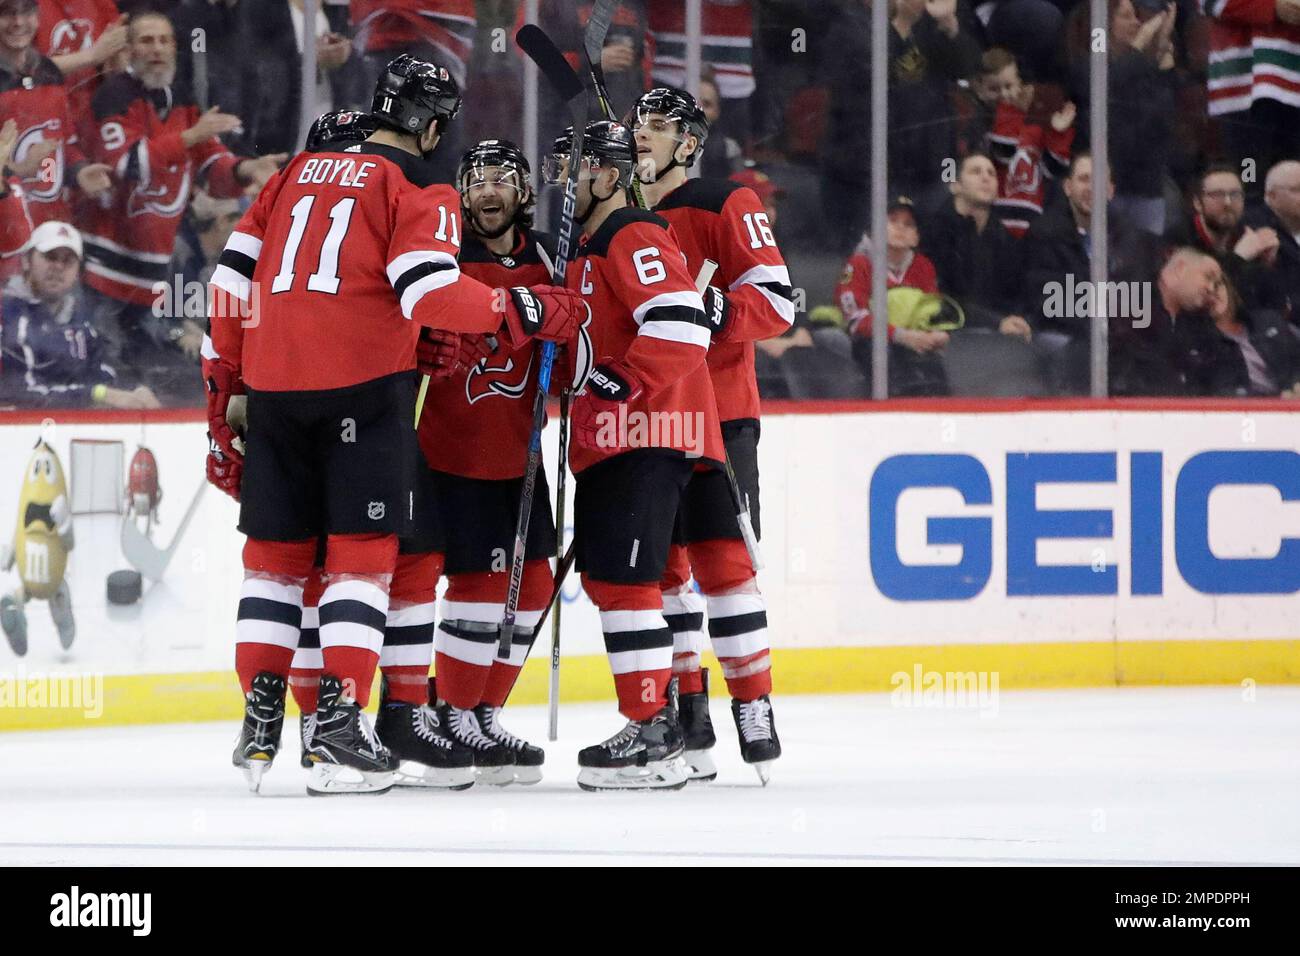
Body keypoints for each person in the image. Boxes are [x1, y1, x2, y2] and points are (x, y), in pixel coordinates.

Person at [203, 58, 584, 796]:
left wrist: (226, 400)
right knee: (360, 560)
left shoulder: (294, 174)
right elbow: (426, 289)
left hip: (275, 392)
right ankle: (345, 721)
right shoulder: (416, 184)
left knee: (275, 564)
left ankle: (261, 720)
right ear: (434, 125)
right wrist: (523, 310)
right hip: (359, 396)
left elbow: (228, 285)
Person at [545, 119, 718, 790]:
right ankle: (665, 724)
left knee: (625, 582)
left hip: (644, 437)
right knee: (621, 580)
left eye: (576, 169)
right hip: (617, 442)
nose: (564, 182)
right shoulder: (590, 246)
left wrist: (626, 380)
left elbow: (681, 322)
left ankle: (652, 733)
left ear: (612, 176)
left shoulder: (631, 234)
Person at [628, 87, 788, 782]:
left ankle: (753, 704)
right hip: (648, 414)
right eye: (638, 125)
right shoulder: (621, 217)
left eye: (659, 127)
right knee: (661, 571)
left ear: (689, 143)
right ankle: (686, 708)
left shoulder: (727, 202)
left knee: (724, 566)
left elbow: (778, 302)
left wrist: (711, 302)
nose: (643, 136)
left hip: (719, 411)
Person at [82, 9, 285, 400]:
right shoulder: (114, 96)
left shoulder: (183, 101)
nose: (156, 49)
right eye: (145, 40)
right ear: (128, 49)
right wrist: (191, 136)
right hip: (106, 277)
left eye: (163, 41)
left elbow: (212, 166)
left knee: (165, 383)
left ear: (175, 48)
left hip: (158, 281)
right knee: (113, 379)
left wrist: (245, 169)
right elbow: (127, 164)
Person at [1, 219, 159, 407]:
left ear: (77, 272)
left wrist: (133, 391)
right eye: (50, 257)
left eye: (68, 260)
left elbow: (103, 375)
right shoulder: (6, 316)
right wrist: (96, 394)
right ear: (26, 262)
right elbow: (15, 394)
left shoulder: (83, 323)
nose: (58, 267)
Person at [0, 0, 113, 227]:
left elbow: (61, 145)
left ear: (38, 16)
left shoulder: (48, 72)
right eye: (7, 13)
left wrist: (79, 172)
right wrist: (21, 170)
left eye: (26, 12)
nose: (18, 22)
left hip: (51, 225)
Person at [837, 196, 950, 397]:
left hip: (915, 340)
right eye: (892, 221)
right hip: (871, 343)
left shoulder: (923, 266)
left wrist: (937, 333)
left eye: (909, 224)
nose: (900, 228)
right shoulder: (859, 263)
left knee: (936, 370)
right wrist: (900, 335)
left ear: (916, 237)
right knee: (883, 356)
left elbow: (932, 310)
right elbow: (856, 318)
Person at [921, 152, 1031, 342]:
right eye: (975, 171)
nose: (985, 177)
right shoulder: (935, 232)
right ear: (955, 185)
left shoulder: (1004, 238)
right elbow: (940, 299)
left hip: (997, 335)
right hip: (946, 334)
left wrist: (1020, 319)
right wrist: (995, 322)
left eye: (991, 173)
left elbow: (1018, 292)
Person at [1109, 247, 1221, 396]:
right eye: (1208, 277)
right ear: (1180, 269)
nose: (1212, 288)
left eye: (1216, 284)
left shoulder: (1203, 327)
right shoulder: (1127, 311)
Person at [1204, 274, 1300, 397]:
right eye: (1205, 291)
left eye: (1217, 285)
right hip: (1242, 411)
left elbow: (1296, 358)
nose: (1213, 293)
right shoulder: (1199, 341)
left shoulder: (1268, 320)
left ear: (1228, 287)